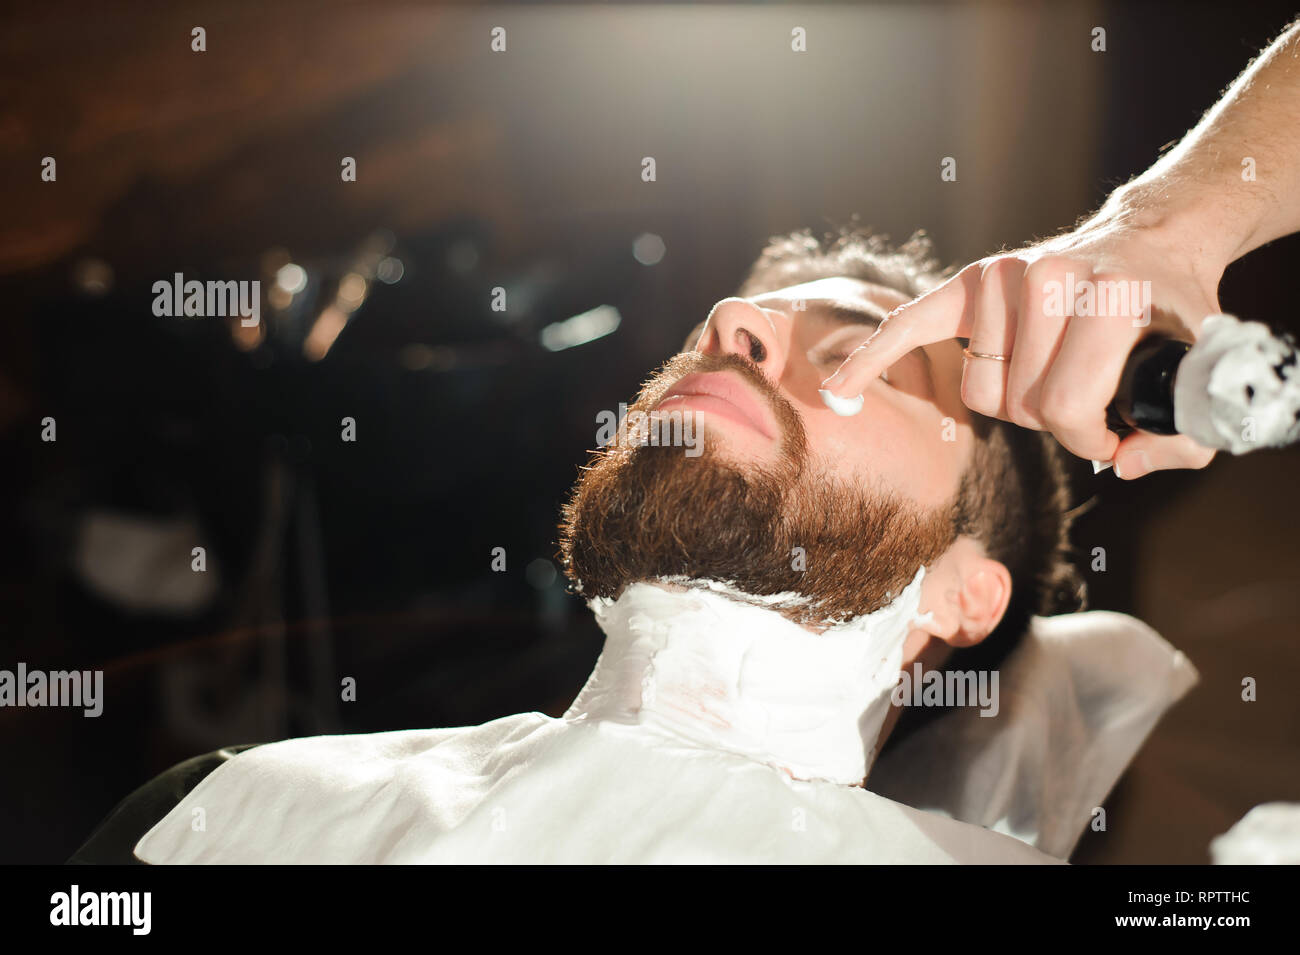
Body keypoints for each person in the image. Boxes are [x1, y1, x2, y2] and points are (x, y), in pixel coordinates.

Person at [72, 18, 1298, 865]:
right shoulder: (216, 817)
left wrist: (1175, 222)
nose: (731, 324)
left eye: (860, 352)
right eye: (747, 317)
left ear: (964, 595)